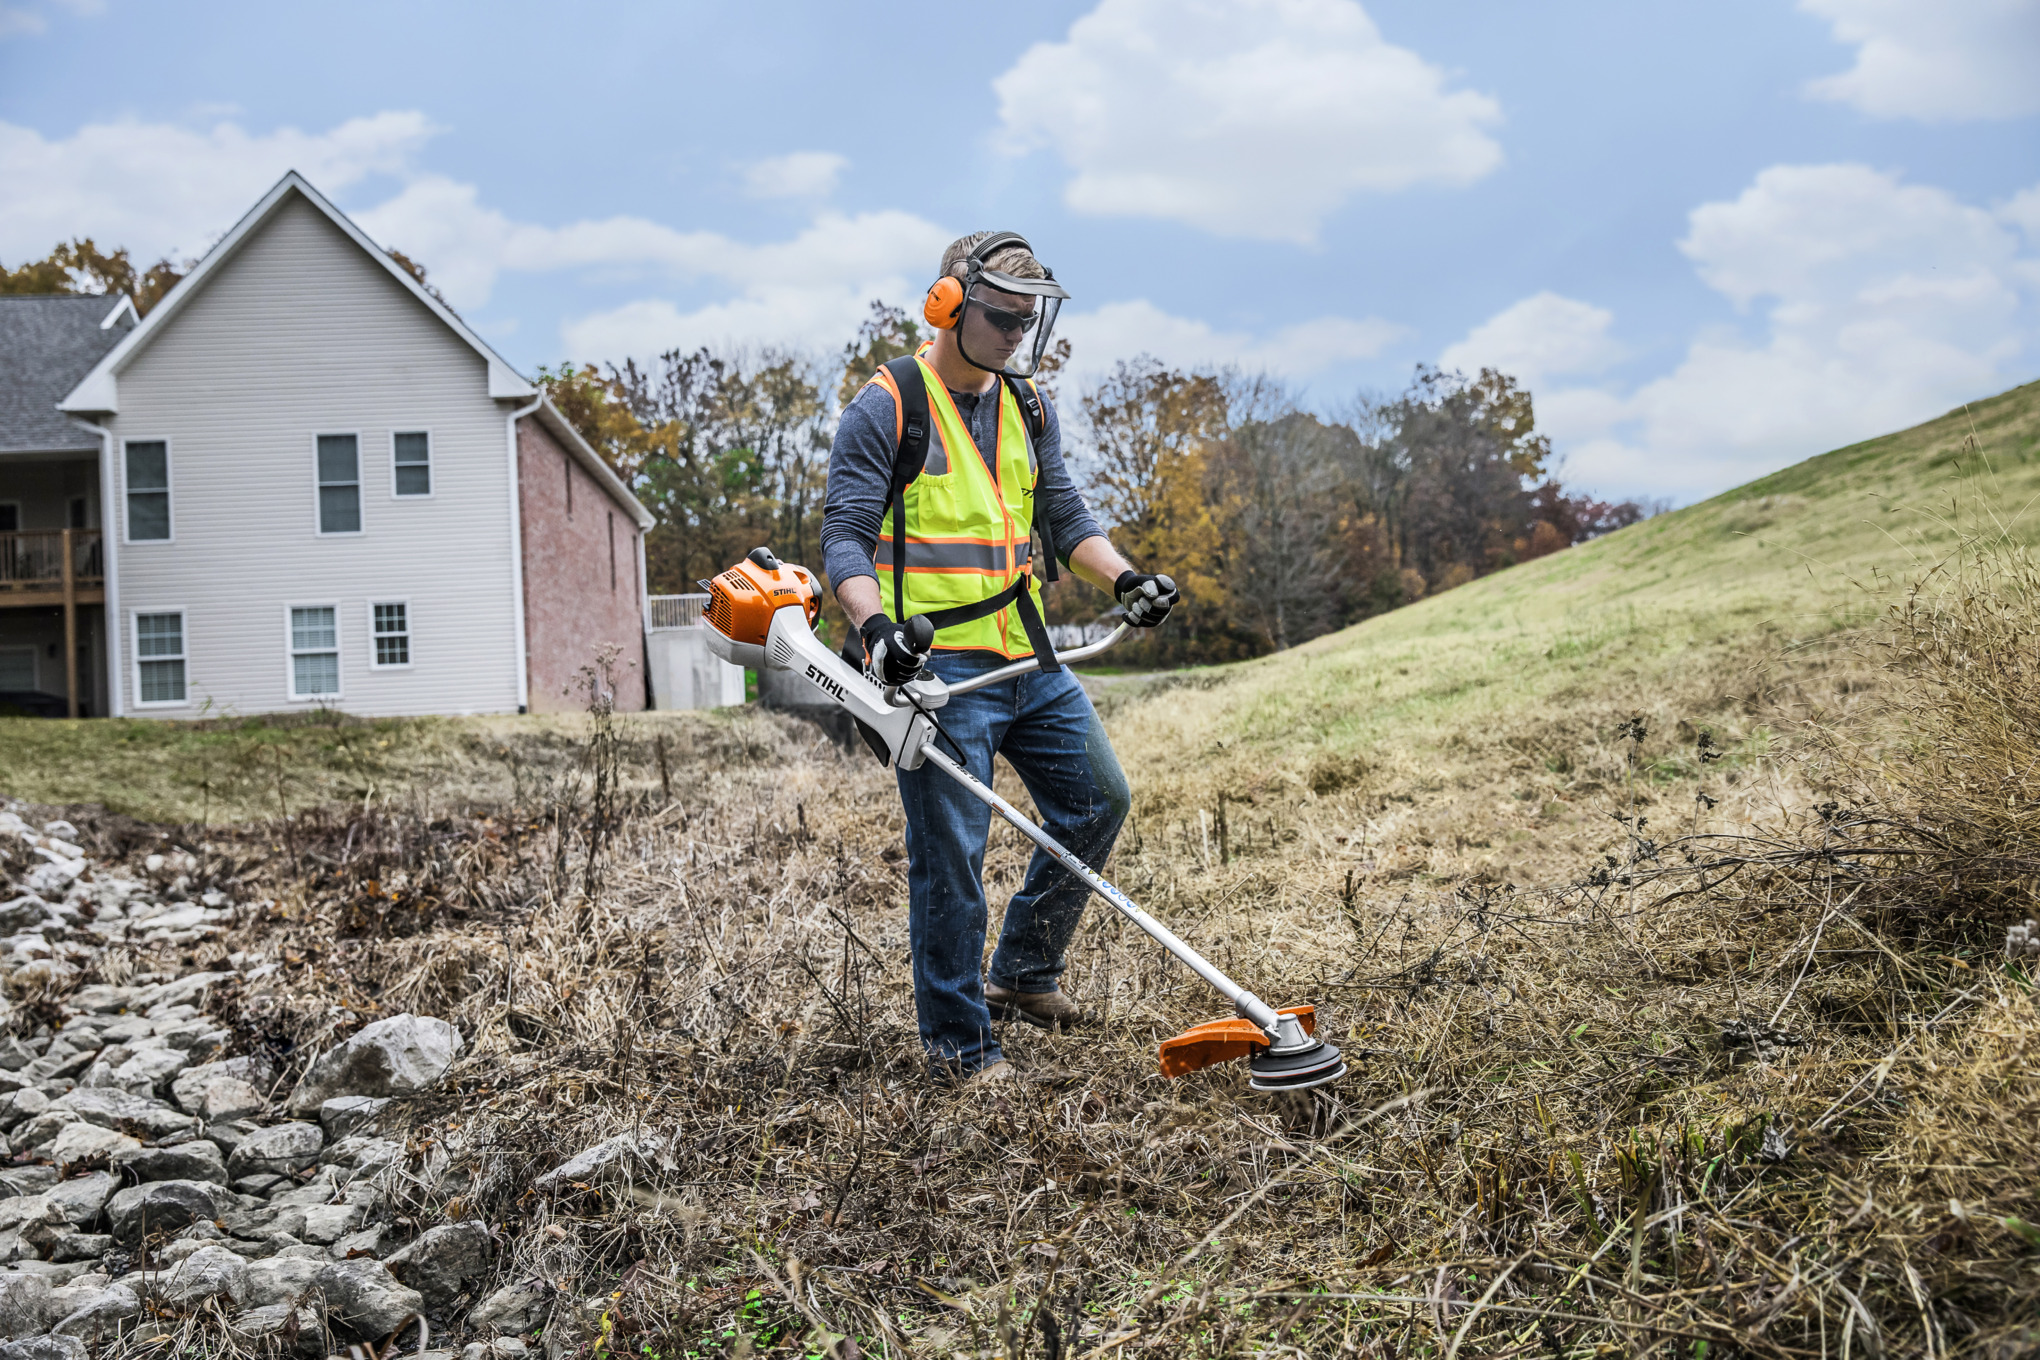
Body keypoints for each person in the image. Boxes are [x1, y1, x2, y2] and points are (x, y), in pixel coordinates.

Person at [821, 230, 1179, 1084]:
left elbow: (1066, 518)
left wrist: (1127, 578)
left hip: (1029, 658)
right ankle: (960, 1048)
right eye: (1003, 318)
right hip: (938, 677)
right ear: (949, 305)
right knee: (951, 855)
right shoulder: (887, 407)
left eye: (1029, 321)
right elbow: (844, 541)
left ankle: (1021, 971)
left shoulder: (1028, 404)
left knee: (1098, 801)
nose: (1018, 335)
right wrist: (876, 632)